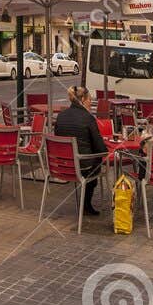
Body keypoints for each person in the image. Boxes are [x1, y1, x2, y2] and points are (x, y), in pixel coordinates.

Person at [54, 86, 109, 216]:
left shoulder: (61, 116)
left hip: (62, 165)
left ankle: (86, 204)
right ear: (83, 99)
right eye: (90, 99)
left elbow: (57, 137)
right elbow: (100, 148)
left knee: (91, 160)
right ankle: (86, 205)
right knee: (97, 162)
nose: (91, 102)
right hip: (82, 166)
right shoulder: (88, 118)